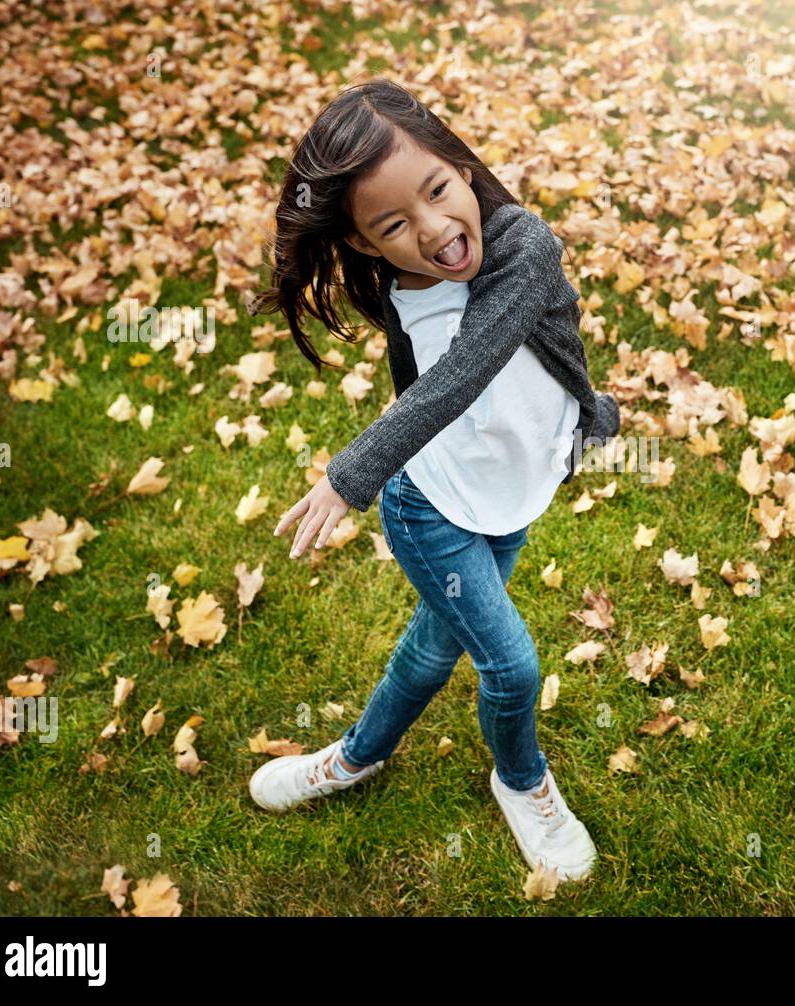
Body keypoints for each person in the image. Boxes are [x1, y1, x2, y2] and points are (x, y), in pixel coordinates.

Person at [246, 79, 621, 883]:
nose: (436, 230)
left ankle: (355, 758)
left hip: (507, 498)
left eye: (438, 191)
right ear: (368, 246)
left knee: (429, 651)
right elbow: (433, 382)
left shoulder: (524, 247)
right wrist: (366, 479)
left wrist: (589, 414)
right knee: (512, 666)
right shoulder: (394, 284)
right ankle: (523, 782)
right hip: (433, 510)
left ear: (460, 163)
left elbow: (478, 364)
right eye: (393, 225)